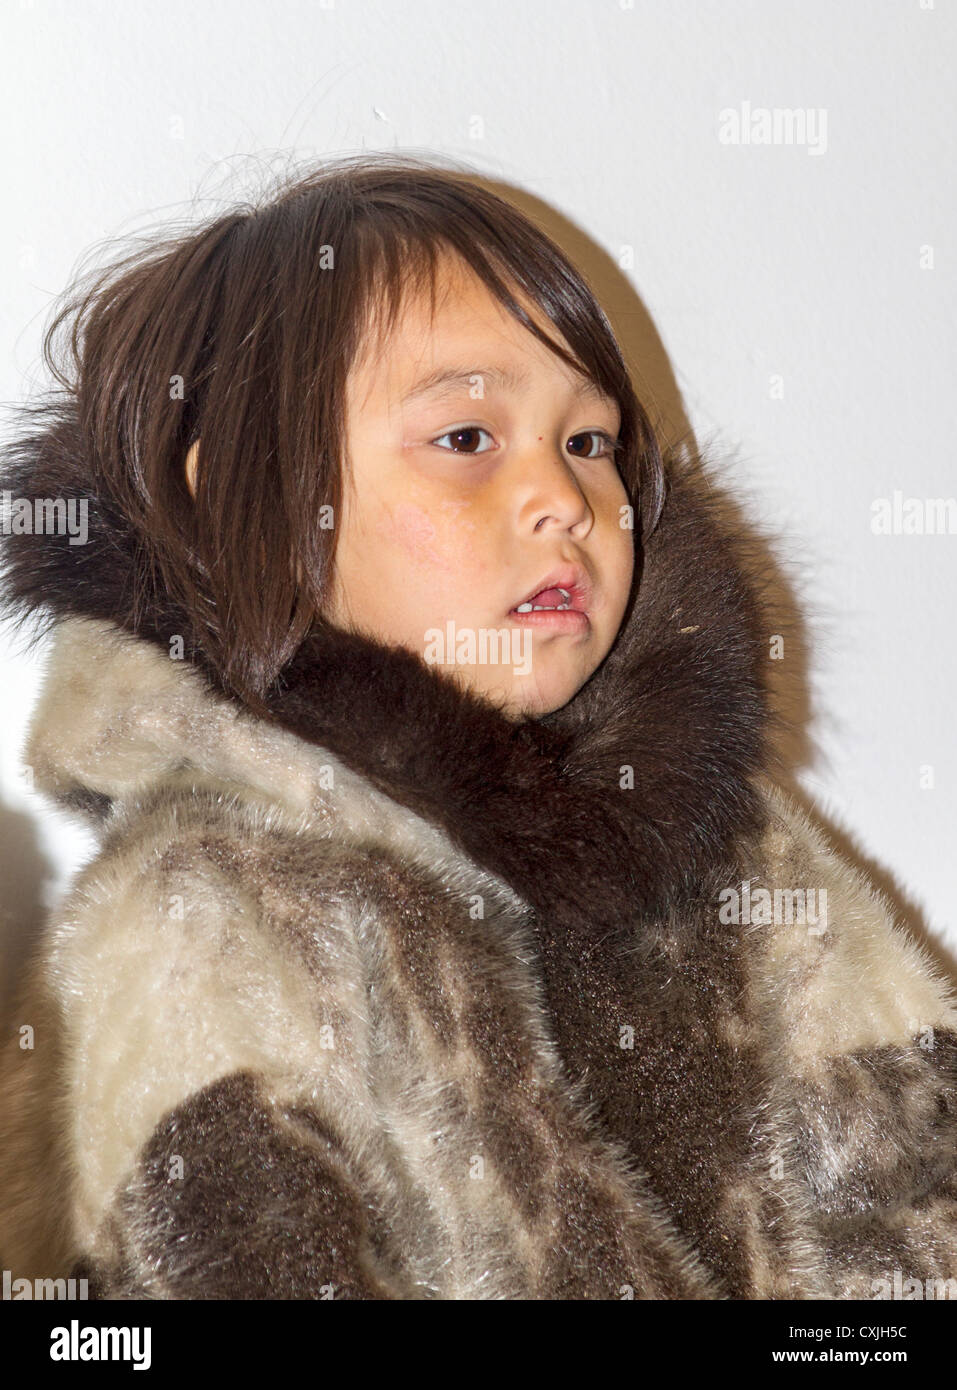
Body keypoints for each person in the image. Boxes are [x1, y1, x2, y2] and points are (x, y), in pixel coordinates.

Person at [1, 153, 955, 1300]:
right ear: (236, 509)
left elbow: (911, 1227)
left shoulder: (739, 858)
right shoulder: (201, 921)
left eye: (590, 442)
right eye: (467, 439)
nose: (567, 497)